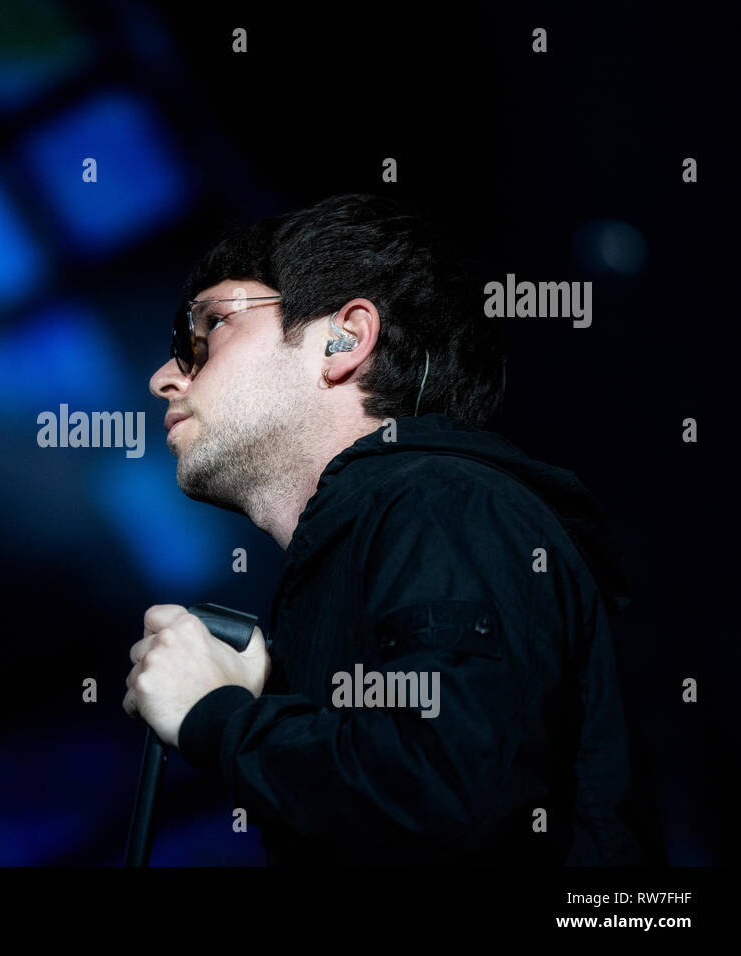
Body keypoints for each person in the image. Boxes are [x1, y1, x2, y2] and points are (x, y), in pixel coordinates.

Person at [121, 193, 661, 864]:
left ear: (344, 339)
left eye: (208, 328)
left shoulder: (445, 502)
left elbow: (447, 797)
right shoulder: (385, 538)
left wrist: (216, 717)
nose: (165, 377)